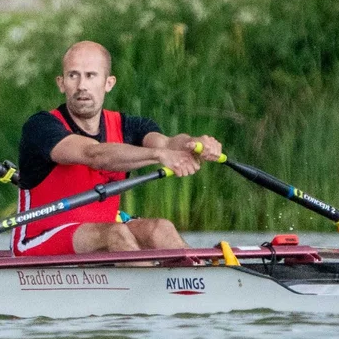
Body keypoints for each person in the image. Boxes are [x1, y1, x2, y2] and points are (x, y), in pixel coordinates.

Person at [14, 40, 220, 257]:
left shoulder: (129, 126)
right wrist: (158, 155)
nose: (82, 85)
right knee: (116, 234)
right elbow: (93, 154)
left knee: (160, 228)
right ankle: (147, 285)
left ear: (108, 83)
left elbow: (168, 143)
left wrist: (195, 145)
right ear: (61, 83)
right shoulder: (41, 126)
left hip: (102, 232)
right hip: (39, 239)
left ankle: (198, 281)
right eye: (73, 75)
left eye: (91, 75)